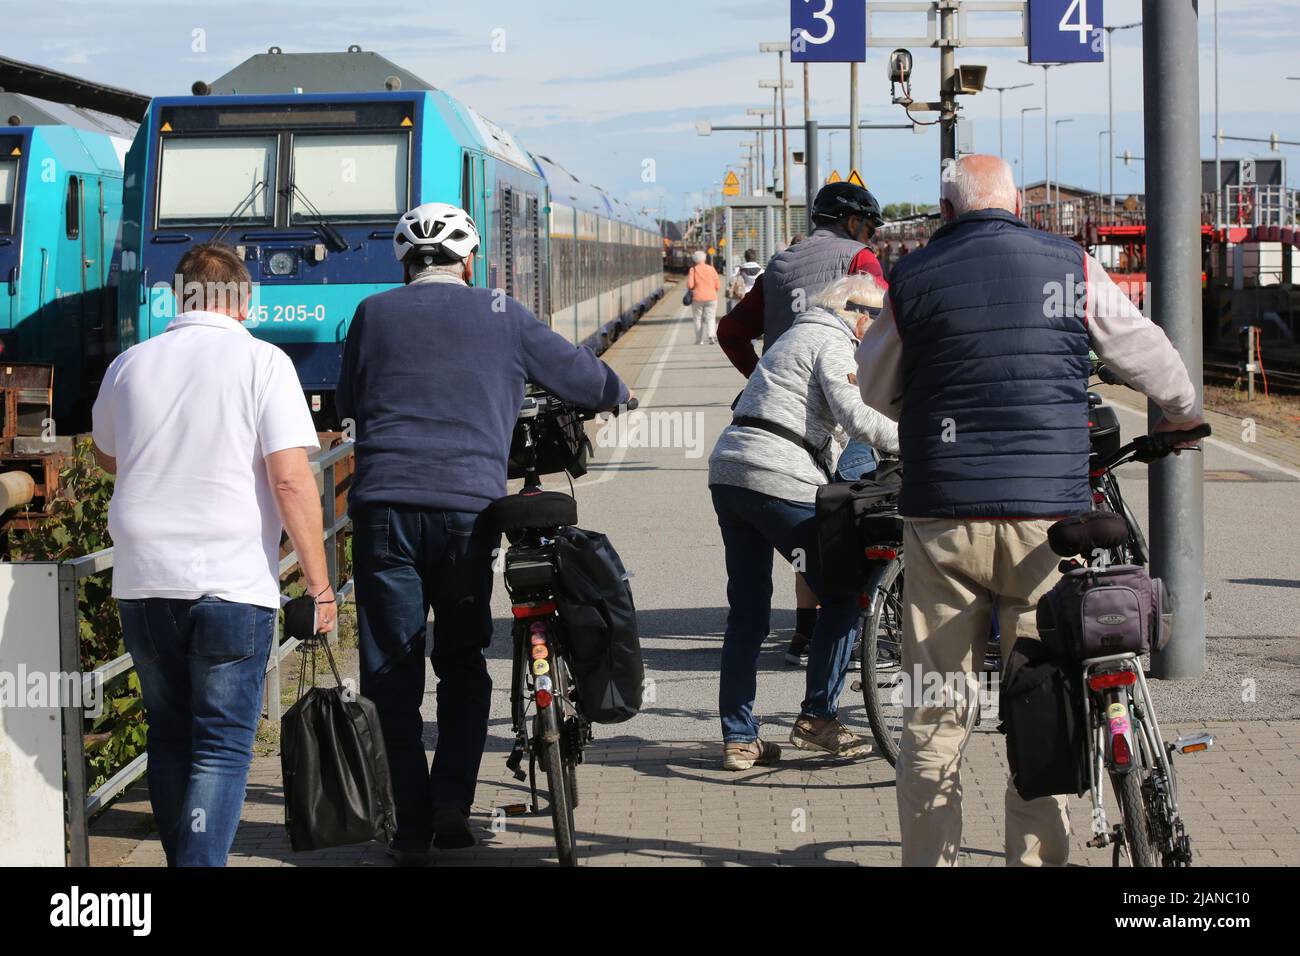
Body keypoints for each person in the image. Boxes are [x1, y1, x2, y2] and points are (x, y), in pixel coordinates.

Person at [855, 155, 1203, 867]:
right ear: (1019, 206)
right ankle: (1037, 860)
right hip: (1048, 524)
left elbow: (872, 387)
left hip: (943, 519)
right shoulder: (1069, 266)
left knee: (934, 711)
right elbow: (1150, 356)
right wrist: (1179, 414)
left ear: (946, 212)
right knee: (1041, 702)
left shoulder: (913, 277)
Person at [337, 203, 629, 864]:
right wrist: (616, 390)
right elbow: (584, 378)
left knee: (389, 674)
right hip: (467, 515)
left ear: (403, 261)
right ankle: (451, 805)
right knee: (463, 662)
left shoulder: (373, 314)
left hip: (384, 512)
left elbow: (350, 403)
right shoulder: (502, 313)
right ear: (469, 261)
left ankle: (406, 830)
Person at [90, 243, 333, 867]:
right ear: (246, 299)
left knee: (169, 736)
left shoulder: (130, 364)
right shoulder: (264, 362)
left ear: (178, 295)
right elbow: (289, 479)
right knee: (222, 746)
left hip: (144, 581)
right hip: (229, 580)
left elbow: (107, 455)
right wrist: (320, 583)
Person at [709, 273, 900, 770]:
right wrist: (919, 441)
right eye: (875, 323)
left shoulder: (795, 334)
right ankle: (818, 719)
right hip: (778, 475)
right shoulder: (832, 340)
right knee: (841, 593)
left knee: (747, 611)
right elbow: (856, 418)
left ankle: (739, 738)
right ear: (860, 314)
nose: (874, 334)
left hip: (730, 473)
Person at [717, 181, 888, 665]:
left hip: (777, 427)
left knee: (813, 522)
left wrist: (763, 378)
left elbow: (730, 331)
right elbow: (889, 328)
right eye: (869, 228)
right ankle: (854, 634)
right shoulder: (861, 261)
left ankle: (806, 634)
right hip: (839, 410)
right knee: (850, 528)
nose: (871, 238)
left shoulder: (780, 264)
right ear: (854, 223)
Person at [686, 250, 722, 344]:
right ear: (705, 258)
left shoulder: (693, 270)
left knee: (698, 318)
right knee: (711, 317)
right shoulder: (711, 269)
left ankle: (699, 340)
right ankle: (711, 335)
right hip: (712, 297)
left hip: (697, 298)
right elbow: (718, 285)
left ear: (694, 259)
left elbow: (690, 285)